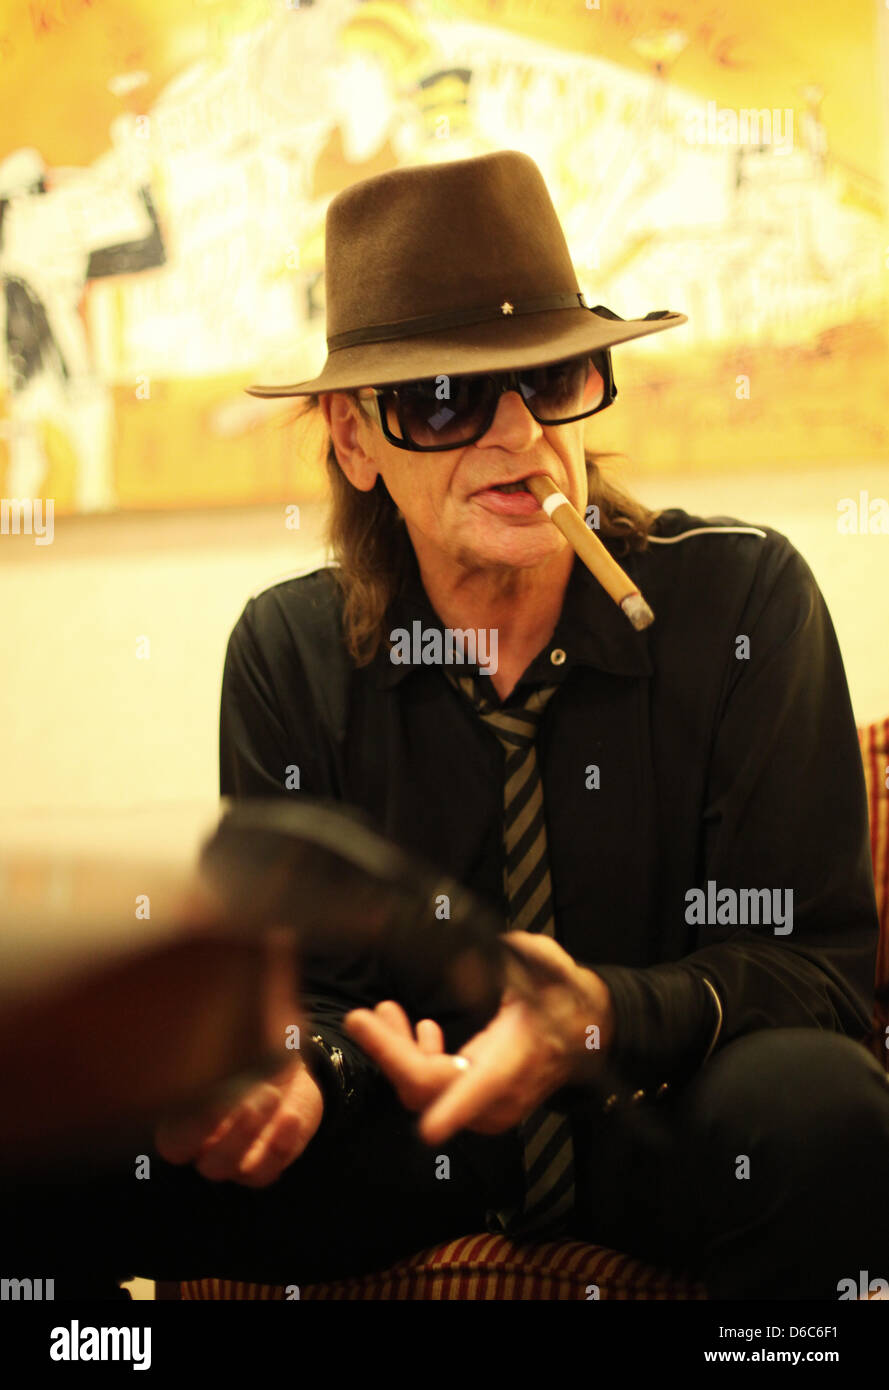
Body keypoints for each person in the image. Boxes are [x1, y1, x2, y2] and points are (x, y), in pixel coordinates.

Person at [7, 149, 889, 1301]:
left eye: (556, 378)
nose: (521, 436)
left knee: (822, 1115)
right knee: (66, 1149)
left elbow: (818, 971)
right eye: (444, 397)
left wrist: (601, 1014)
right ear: (353, 438)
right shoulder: (291, 652)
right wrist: (302, 1070)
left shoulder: (740, 600)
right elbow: (309, 991)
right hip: (405, 1141)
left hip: (661, 1117)